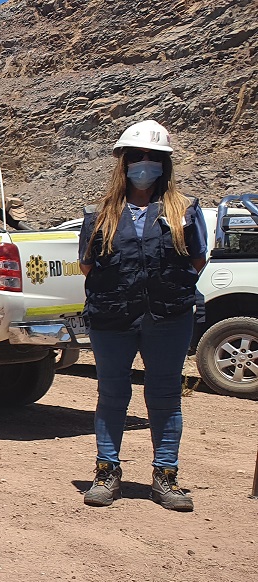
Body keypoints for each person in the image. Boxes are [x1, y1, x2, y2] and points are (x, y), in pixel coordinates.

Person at [79, 120, 207, 512]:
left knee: (165, 395)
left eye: (154, 157)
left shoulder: (185, 210)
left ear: (166, 164)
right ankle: (106, 473)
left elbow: (197, 259)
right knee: (112, 394)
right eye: (137, 156)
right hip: (112, 317)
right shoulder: (100, 213)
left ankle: (165, 477)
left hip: (168, 317)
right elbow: (87, 265)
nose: (145, 164)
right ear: (124, 162)